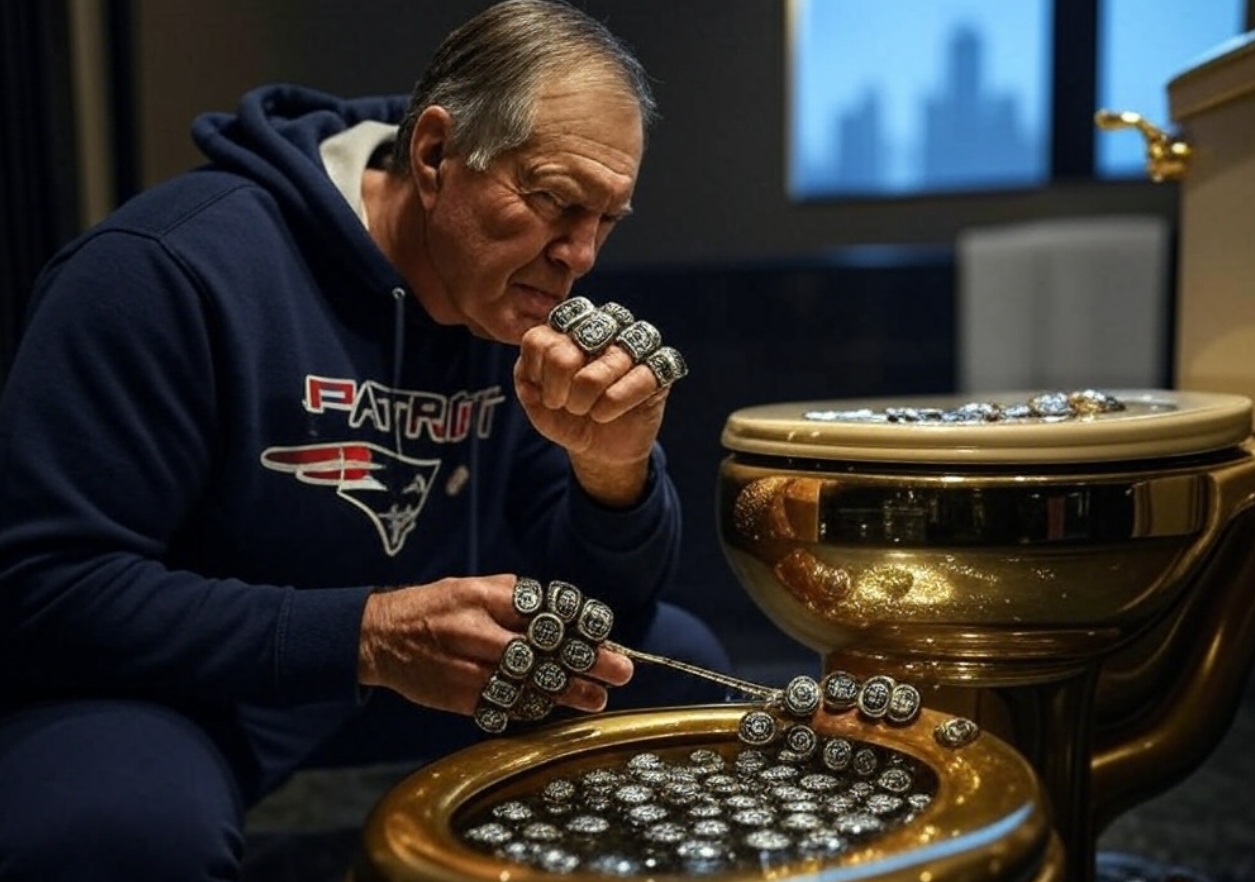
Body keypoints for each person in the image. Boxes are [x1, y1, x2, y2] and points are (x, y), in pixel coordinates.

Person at [0, 1, 733, 878]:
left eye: (605, 220)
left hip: (414, 675)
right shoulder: (165, 268)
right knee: (118, 833)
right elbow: (43, 589)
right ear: (433, 156)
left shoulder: (518, 308)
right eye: (553, 201)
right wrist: (366, 636)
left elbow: (607, 603)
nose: (578, 255)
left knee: (678, 673)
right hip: (191, 684)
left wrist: (612, 475)